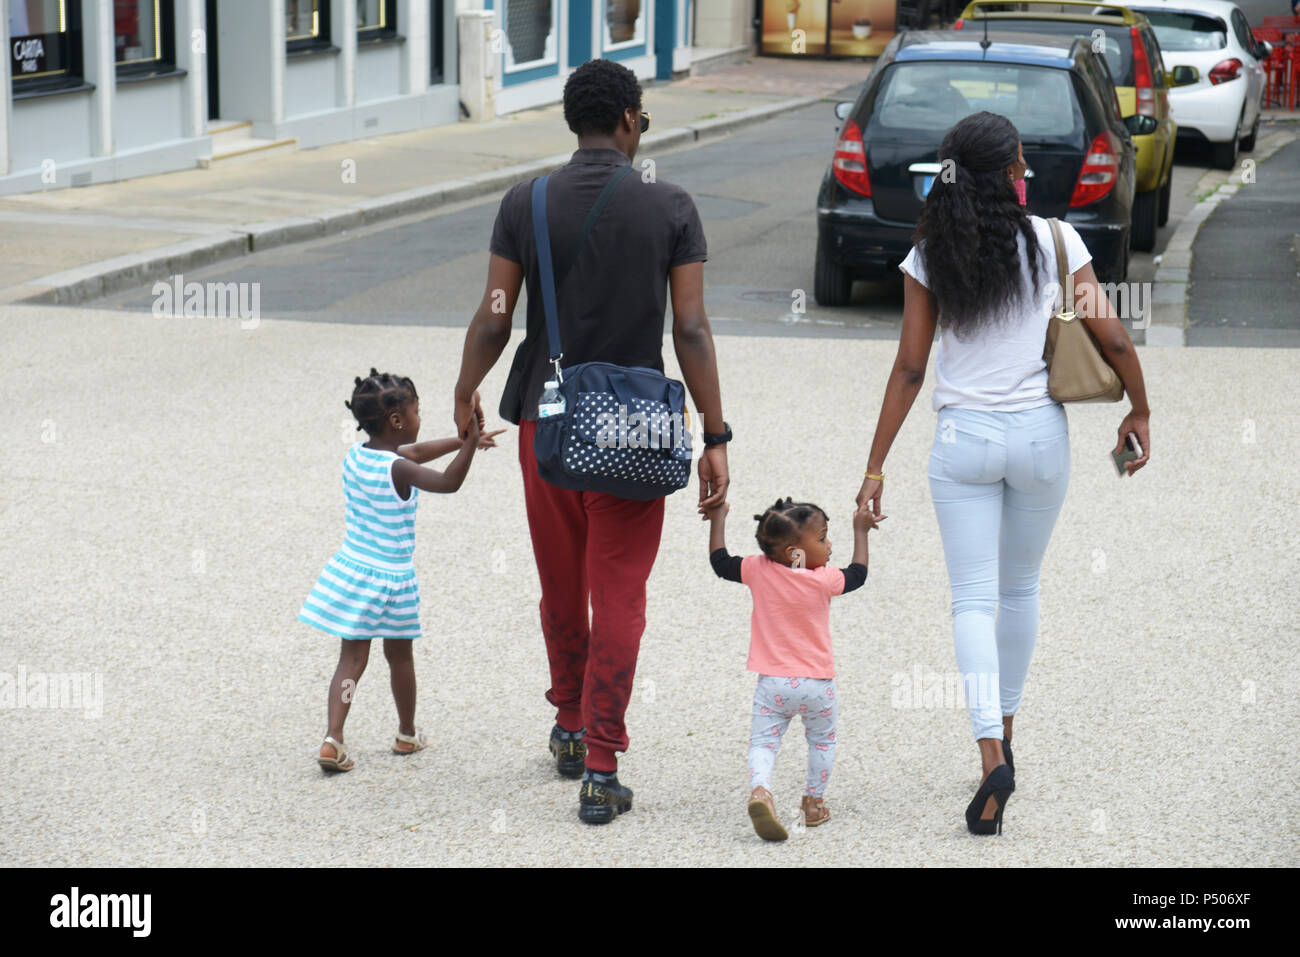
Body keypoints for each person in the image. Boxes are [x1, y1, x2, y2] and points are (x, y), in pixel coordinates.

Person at [854, 111, 1151, 835]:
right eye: (1020, 162)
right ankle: (1009, 736)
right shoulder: (1058, 240)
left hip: (963, 442)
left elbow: (911, 367)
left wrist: (875, 466)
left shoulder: (930, 254)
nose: (1026, 171)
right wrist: (1140, 409)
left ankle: (991, 753)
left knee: (971, 601)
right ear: (1010, 172)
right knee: (1020, 590)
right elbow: (1112, 336)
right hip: (1040, 439)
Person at [453, 57, 731, 824]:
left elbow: (496, 315)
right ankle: (602, 766)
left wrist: (464, 386)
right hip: (634, 432)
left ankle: (569, 724)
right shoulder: (671, 206)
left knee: (561, 582)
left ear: (573, 122)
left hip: (545, 424)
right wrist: (714, 433)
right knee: (620, 596)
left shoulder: (527, 201)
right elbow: (691, 329)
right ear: (631, 120)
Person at [300, 369, 502, 772]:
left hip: (354, 571)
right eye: (416, 411)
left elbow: (415, 452)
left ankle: (333, 738)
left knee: (351, 662)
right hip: (393, 581)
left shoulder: (357, 456)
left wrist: (462, 440)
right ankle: (407, 733)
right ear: (397, 420)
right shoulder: (399, 469)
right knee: (400, 659)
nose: (419, 417)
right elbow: (448, 482)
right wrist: (469, 443)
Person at [706, 497, 874, 841]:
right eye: (823, 538)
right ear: (795, 552)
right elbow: (858, 574)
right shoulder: (824, 579)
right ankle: (813, 804)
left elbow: (720, 562)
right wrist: (862, 532)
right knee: (822, 743)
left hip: (773, 685)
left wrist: (718, 518)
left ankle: (761, 791)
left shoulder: (757, 570)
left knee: (764, 744)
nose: (830, 545)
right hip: (818, 686)